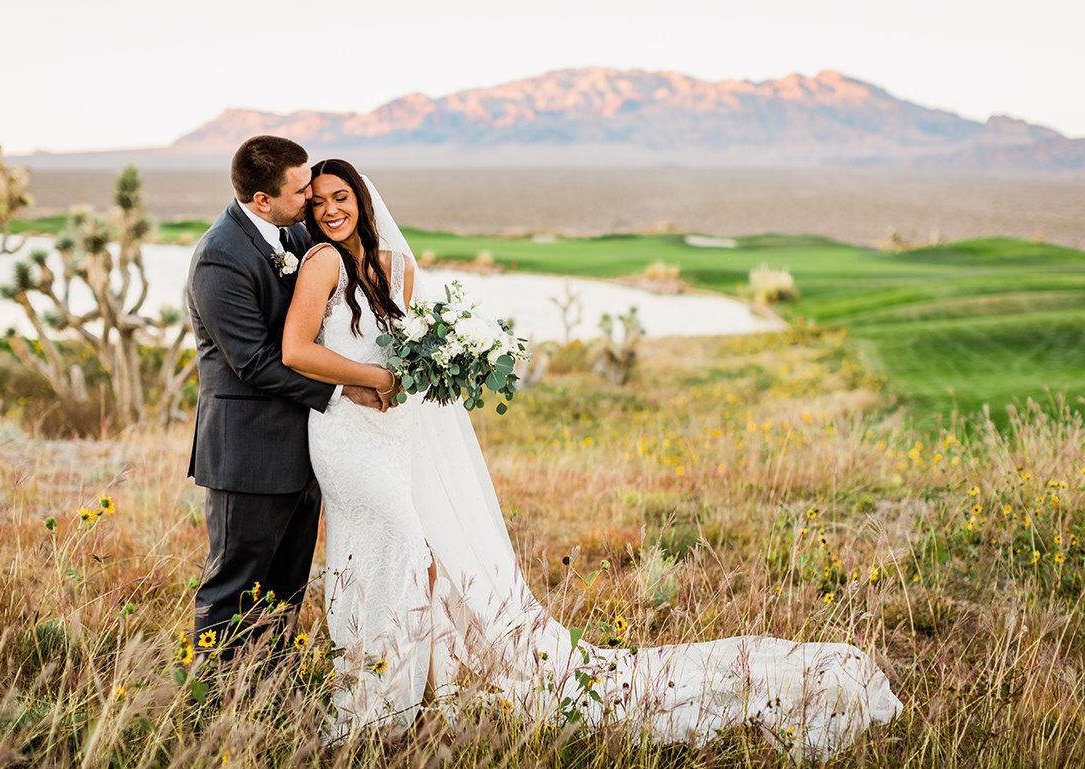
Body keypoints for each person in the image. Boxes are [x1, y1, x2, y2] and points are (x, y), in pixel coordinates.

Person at [282, 158, 903, 756]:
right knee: (390, 542)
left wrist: (429, 369)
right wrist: (372, 379)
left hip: (396, 432)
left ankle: (414, 682)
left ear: (361, 198)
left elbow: (405, 347)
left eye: (342, 197)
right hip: (345, 433)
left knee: (418, 550)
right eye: (319, 201)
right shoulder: (321, 262)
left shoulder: (394, 265)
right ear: (308, 211)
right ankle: (378, 690)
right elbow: (295, 350)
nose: (332, 209)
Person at [186, 137, 392, 653]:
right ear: (262, 199)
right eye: (302, 190)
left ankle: (271, 698)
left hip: (309, 444)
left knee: (286, 590)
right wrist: (347, 385)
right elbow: (253, 361)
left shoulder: (296, 233)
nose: (312, 198)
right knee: (235, 585)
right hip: (249, 451)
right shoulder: (219, 257)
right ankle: (214, 706)